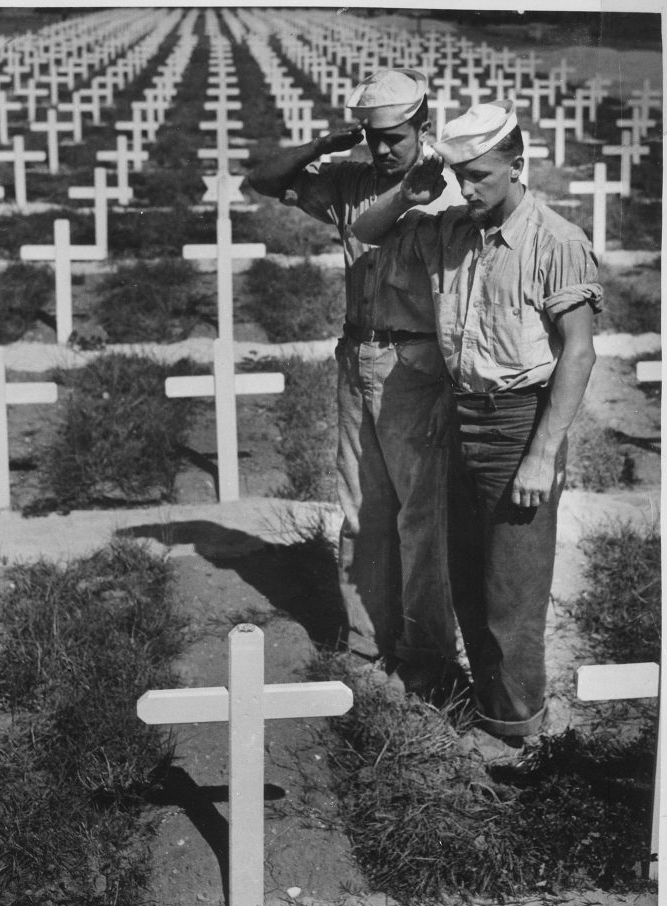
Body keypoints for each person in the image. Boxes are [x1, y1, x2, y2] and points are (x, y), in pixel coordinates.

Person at [351, 101, 601, 746]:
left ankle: (518, 733)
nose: (470, 189)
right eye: (463, 177)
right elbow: (373, 233)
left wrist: (542, 453)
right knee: (465, 573)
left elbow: (578, 351)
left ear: (519, 167)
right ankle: (488, 706)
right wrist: (412, 190)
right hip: (460, 414)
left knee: (511, 590)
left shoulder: (556, 240)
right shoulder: (456, 229)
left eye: (483, 176)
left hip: (521, 423)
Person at [248, 69, 466, 697]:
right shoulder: (352, 178)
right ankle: (370, 642)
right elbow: (261, 180)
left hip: (418, 366)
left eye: (394, 137)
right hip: (357, 355)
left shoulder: (449, 191)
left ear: (423, 124)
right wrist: (327, 144)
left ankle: (426, 654)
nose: (383, 150)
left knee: (420, 516)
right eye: (373, 137)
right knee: (360, 507)